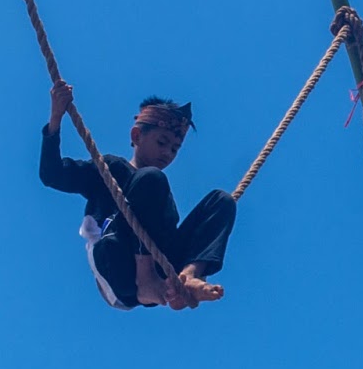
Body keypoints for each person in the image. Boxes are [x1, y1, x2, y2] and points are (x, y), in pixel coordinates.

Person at [38, 80, 237, 311]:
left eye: (174, 149)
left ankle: (188, 276)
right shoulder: (113, 170)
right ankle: (146, 278)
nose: (167, 153)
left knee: (222, 200)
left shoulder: (161, 196)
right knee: (151, 178)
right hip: (116, 263)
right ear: (137, 135)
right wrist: (56, 117)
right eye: (161, 142)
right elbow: (51, 175)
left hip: (161, 271)